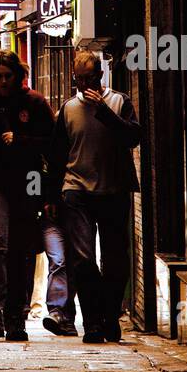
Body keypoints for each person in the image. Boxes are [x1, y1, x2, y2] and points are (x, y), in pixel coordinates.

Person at [47, 49, 142, 344]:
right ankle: (92, 324)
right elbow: (57, 157)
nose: (85, 84)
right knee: (83, 260)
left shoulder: (119, 102)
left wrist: (104, 111)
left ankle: (110, 316)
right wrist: (51, 197)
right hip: (77, 191)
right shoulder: (68, 109)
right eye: (79, 79)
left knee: (116, 261)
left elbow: (133, 137)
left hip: (113, 190)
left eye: (89, 78)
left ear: (100, 75)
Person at [0, 51, 55, 341]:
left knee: (22, 248)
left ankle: (16, 316)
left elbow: (53, 145)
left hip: (28, 181)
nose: (3, 81)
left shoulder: (35, 103)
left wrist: (21, 141)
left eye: (8, 76)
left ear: (18, 76)